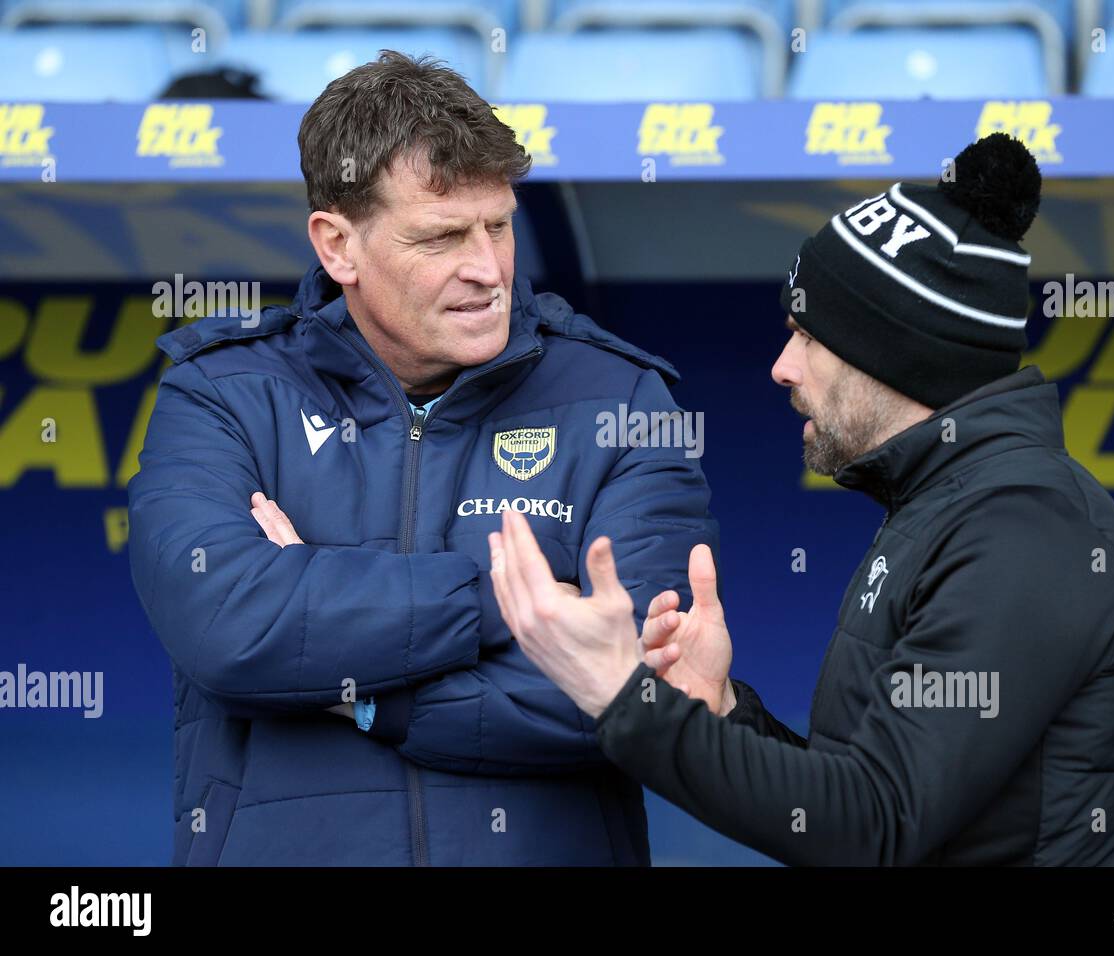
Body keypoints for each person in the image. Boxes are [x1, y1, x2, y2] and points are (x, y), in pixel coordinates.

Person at [488, 134, 1114, 866]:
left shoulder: (1024, 527)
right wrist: (721, 712)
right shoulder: (953, 505)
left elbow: (874, 826)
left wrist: (624, 696)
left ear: (899, 349)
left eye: (808, 335)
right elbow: (858, 796)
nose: (781, 367)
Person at [127, 52, 716, 866]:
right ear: (339, 246)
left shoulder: (623, 400)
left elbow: (634, 692)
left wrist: (366, 699)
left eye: (499, 225)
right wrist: (525, 608)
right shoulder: (223, 390)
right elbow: (232, 629)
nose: (489, 271)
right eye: (441, 237)